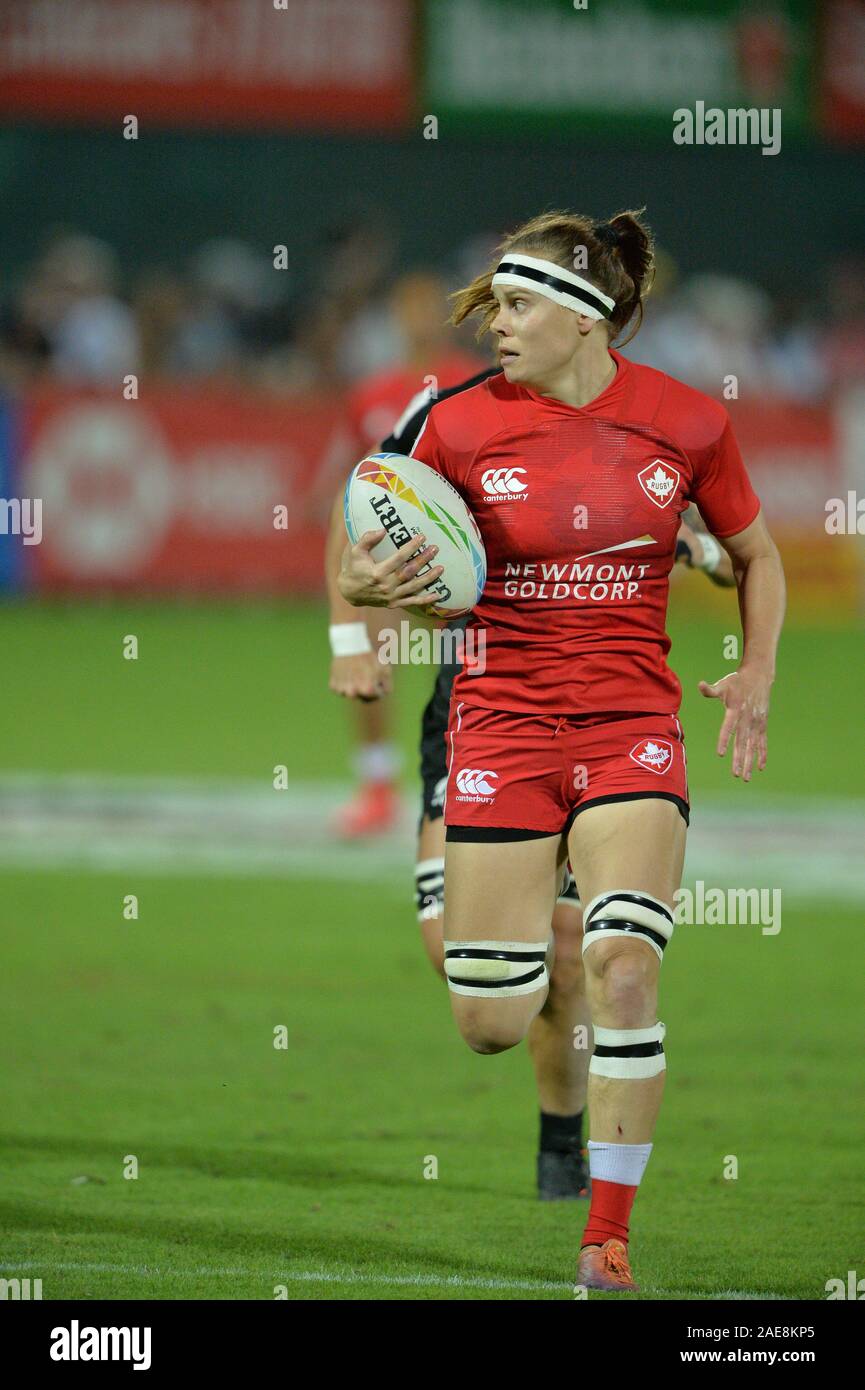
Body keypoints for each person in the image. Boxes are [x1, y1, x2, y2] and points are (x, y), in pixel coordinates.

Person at [336, 206, 779, 1278]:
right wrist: (361, 599)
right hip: (497, 724)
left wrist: (755, 675)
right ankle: (533, 1029)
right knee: (489, 1016)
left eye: (518, 305)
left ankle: (605, 1236)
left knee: (620, 965)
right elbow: (365, 540)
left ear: (584, 321)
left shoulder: (687, 422)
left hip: (632, 728)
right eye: (493, 305)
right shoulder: (450, 423)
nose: (496, 323)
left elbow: (755, 554)